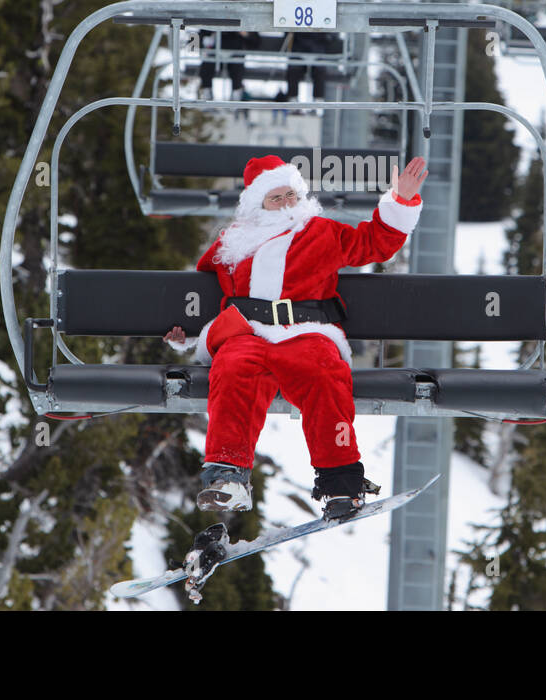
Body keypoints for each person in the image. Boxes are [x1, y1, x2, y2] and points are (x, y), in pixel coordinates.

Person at [165, 153, 428, 520]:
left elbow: (374, 244)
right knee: (233, 367)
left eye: (292, 194)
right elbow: (204, 295)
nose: (287, 204)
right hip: (248, 331)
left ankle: (340, 478)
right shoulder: (233, 244)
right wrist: (189, 332)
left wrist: (399, 202)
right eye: (276, 198)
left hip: (306, 329)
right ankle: (227, 473)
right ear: (259, 204)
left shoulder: (321, 231)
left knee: (323, 371)